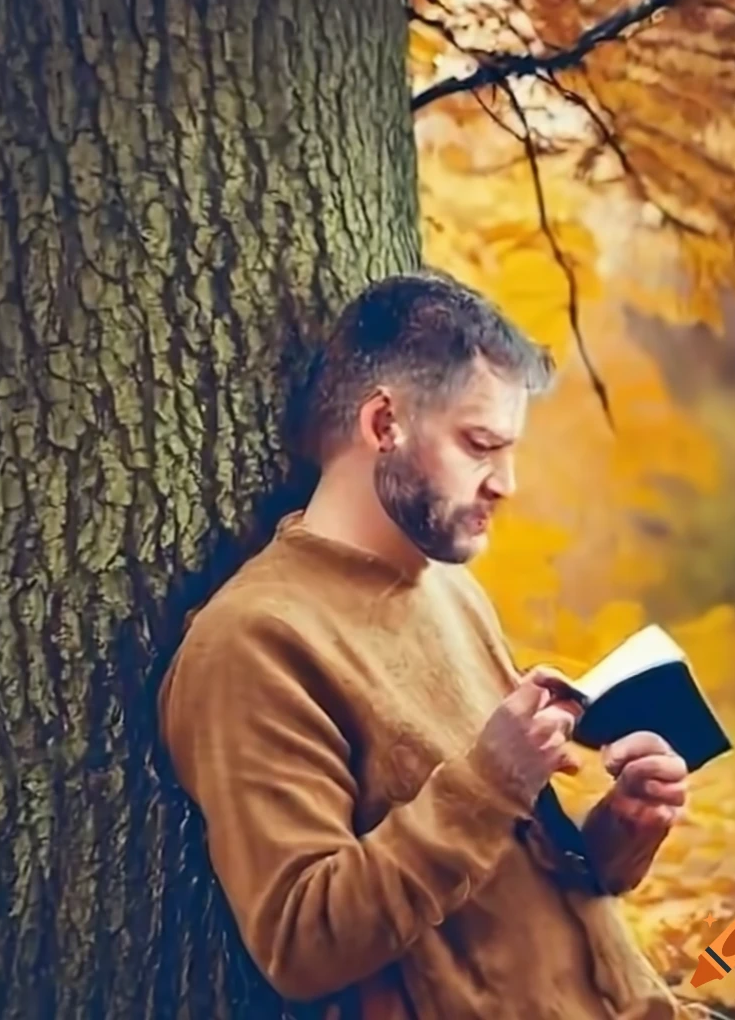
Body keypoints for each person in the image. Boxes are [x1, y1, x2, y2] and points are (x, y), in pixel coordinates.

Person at [157, 271, 692, 1019]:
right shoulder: (253, 642)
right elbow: (302, 940)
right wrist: (487, 781)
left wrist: (621, 830)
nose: (505, 482)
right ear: (384, 425)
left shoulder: (447, 589)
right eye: (480, 445)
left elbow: (509, 880)